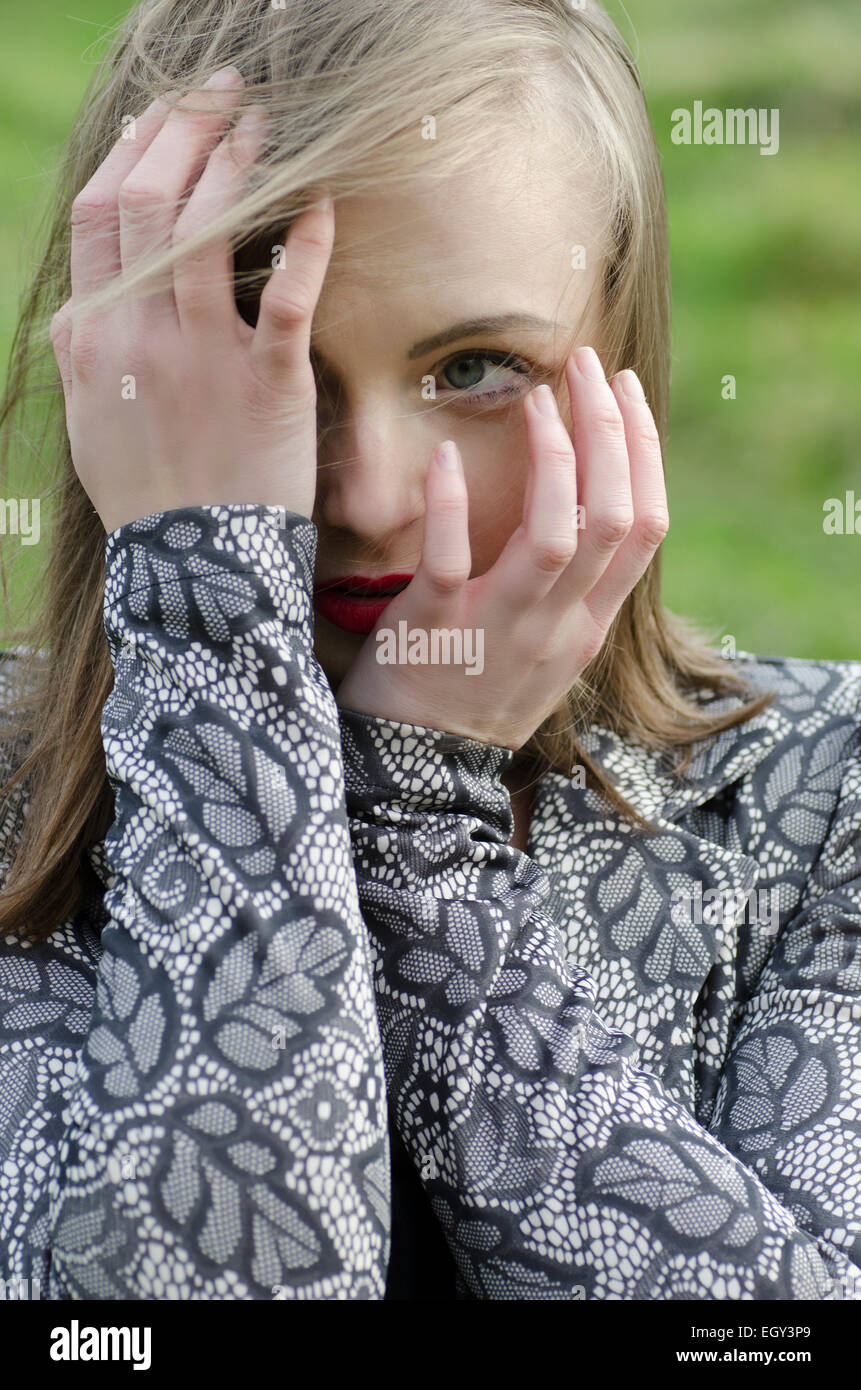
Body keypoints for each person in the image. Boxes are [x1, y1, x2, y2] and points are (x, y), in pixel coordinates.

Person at [0, 0, 858, 1301]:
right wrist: (209, 613)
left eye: (473, 367)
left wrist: (416, 827)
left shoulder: (822, 792)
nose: (372, 498)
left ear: (623, 356)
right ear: (118, 367)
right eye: (254, 354)